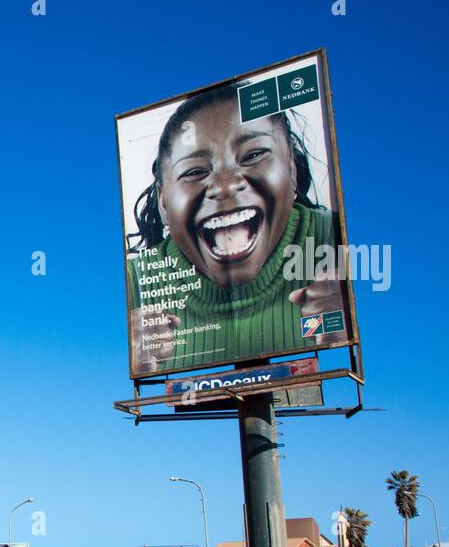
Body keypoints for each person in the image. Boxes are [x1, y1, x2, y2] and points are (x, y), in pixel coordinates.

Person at [127, 83, 345, 375]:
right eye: (195, 171)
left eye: (253, 155)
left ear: (291, 169)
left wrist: (347, 318)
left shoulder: (329, 240)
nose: (226, 185)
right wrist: (139, 354)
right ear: (164, 202)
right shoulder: (139, 281)